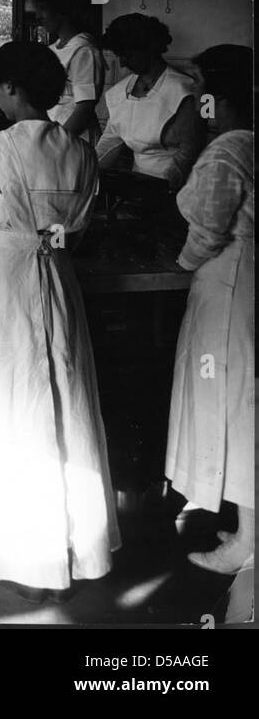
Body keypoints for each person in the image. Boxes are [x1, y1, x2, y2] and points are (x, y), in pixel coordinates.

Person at [0, 42, 119, 599]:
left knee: (3, 400)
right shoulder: (80, 151)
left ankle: (11, 546)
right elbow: (76, 228)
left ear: (10, 89)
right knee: (62, 398)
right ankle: (72, 548)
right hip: (57, 275)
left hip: (4, 279)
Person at [163, 44, 253, 578]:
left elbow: (209, 227)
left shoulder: (228, 149)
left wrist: (183, 262)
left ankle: (249, 544)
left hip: (233, 284)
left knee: (235, 410)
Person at [97, 13, 202, 187]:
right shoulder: (120, 92)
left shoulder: (185, 90)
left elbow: (189, 151)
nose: (122, 63)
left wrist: (163, 189)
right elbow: (110, 141)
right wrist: (88, 172)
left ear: (148, 48)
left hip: (177, 186)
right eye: (119, 55)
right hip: (139, 185)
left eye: (127, 55)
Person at [33, 0, 105, 144]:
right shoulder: (52, 49)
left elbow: (84, 108)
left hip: (74, 139)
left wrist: (58, 142)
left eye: (43, 9)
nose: (38, 16)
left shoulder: (83, 50)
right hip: (53, 134)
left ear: (62, 11)